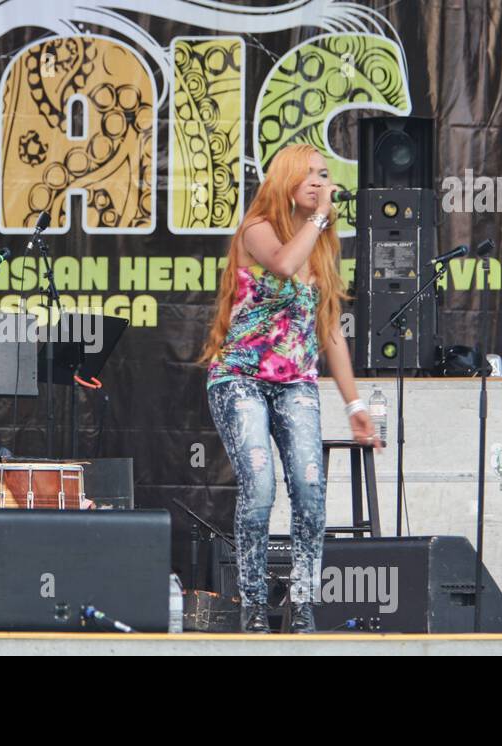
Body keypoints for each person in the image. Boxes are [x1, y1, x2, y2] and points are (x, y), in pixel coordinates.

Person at [200, 143, 378, 633]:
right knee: (259, 487)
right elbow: (280, 265)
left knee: (310, 489)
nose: (322, 183)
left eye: (326, 175)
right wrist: (319, 219)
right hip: (240, 377)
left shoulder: (320, 248)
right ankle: (254, 606)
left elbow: (331, 333)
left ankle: (302, 605)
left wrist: (355, 404)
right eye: (312, 175)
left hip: (296, 382)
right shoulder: (257, 230)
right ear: (288, 181)